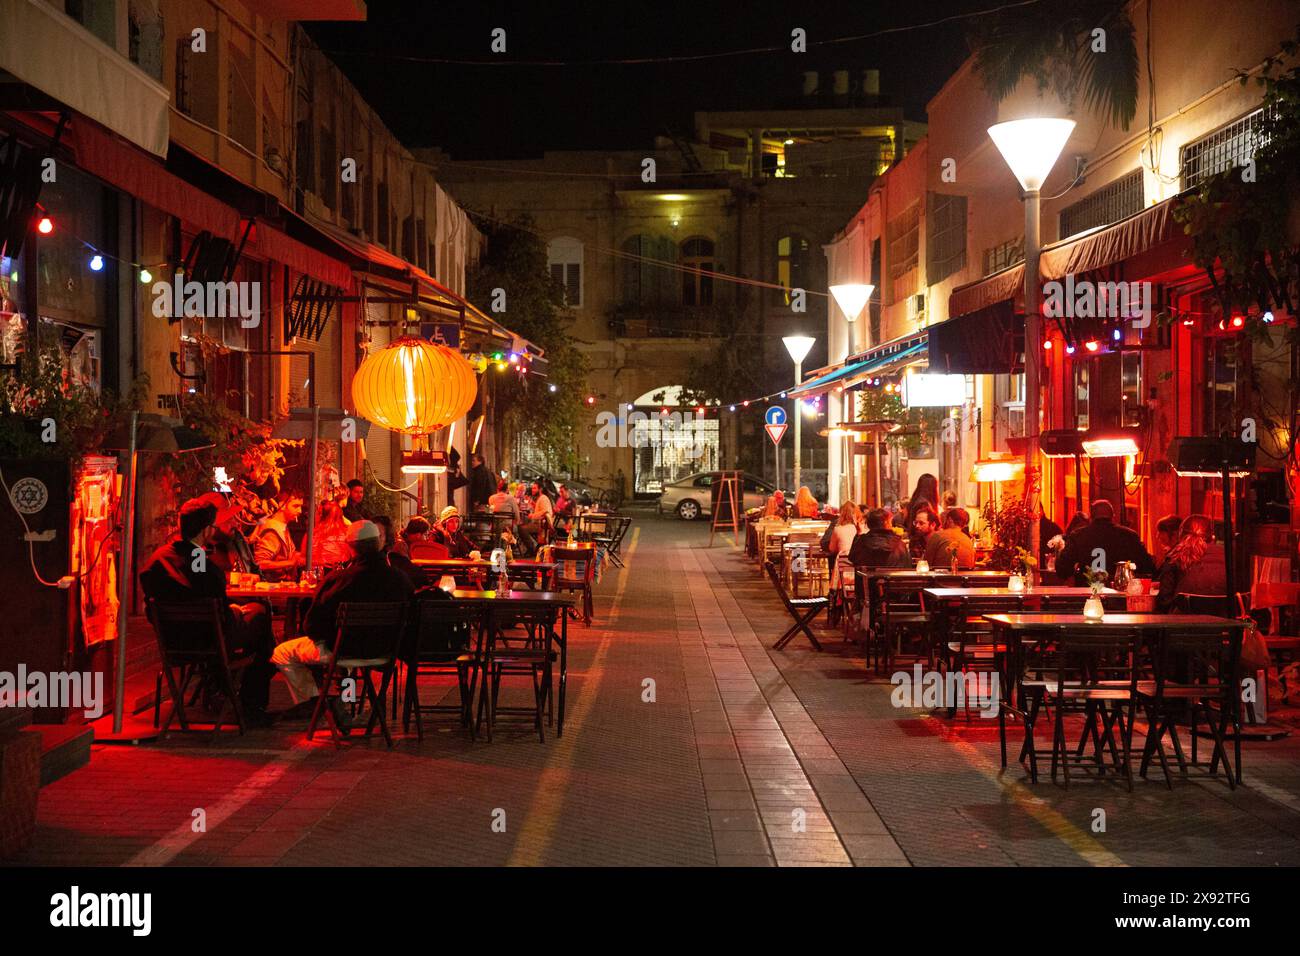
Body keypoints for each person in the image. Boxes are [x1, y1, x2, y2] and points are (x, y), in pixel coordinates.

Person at [139, 497, 276, 726]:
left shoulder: (157, 559)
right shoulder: (199, 561)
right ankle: (253, 705)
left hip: (173, 642)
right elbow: (216, 605)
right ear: (206, 530)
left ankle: (223, 687)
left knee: (250, 616)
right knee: (260, 615)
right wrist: (234, 610)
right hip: (209, 640)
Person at [271, 521, 415, 729]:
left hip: (342, 650)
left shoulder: (340, 580)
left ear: (350, 547)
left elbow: (311, 626)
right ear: (378, 544)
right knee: (346, 664)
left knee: (283, 652)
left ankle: (316, 703)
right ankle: (344, 702)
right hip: (386, 652)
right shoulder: (400, 579)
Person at [1055, 499, 1156, 585]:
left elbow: (1062, 569)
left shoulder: (1078, 536)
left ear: (1091, 516)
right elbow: (1147, 566)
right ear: (1113, 516)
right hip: (1120, 591)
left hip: (1087, 591)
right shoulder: (1129, 536)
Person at [1155, 514, 1227, 613]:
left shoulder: (1174, 556)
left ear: (1181, 536)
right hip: (1224, 622)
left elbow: (1164, 600)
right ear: (1211, 536)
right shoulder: (1228, 556)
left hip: (1184, 624)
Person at [196, 491, 259, 577]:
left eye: (234, 517)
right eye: (229, 519)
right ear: (211, 524)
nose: (235, 524)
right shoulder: (196, 548)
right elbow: (201, 580)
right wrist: (238, 578)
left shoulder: (236, 538)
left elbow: (254, 571)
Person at [251, 492, 306, 581]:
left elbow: (287, 554)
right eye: (295, 506)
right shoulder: (271, 529)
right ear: (282, 505)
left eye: (300, 507)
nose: (300, 511)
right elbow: (260, 563)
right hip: (271, 588)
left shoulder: (281, 526)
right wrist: (290, 563)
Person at [371, 514, 417, 585]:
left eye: (378, 535)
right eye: (371, 534)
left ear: (387, 539)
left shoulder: (392, 558)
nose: (372, 539)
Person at [311, 500, 352, 568]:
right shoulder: (349, 532)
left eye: (318, 513)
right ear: (341, 515)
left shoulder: (314, 534)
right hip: (344, 571)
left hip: (322, 572)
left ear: (321, 515)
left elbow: (306, 558)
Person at [519, 480, 553, 553]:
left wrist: (532, 515)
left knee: (522, 528)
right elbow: (541, 510)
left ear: (540, 489)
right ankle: (533, 547)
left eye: (534, 488)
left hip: (542, 525)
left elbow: (545, 512)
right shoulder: (540, 498)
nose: (532, 490)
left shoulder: (543, 498)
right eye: (532, 488)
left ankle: (532, 549)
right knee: (522, 525)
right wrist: (534, 506)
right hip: (539, 523)